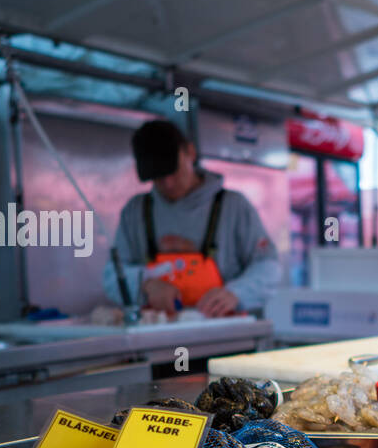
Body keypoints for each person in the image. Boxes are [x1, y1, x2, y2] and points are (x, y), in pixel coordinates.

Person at [103, 119, 279, 316]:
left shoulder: (234, 206)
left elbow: (269, 267)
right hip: (157, 336)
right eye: (158, 177)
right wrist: (145, 284)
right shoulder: (135, 212)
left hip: (226, 334)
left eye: (173, 172)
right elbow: (112, 275)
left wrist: (236, 292)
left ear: (190, 152)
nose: (168, 184)